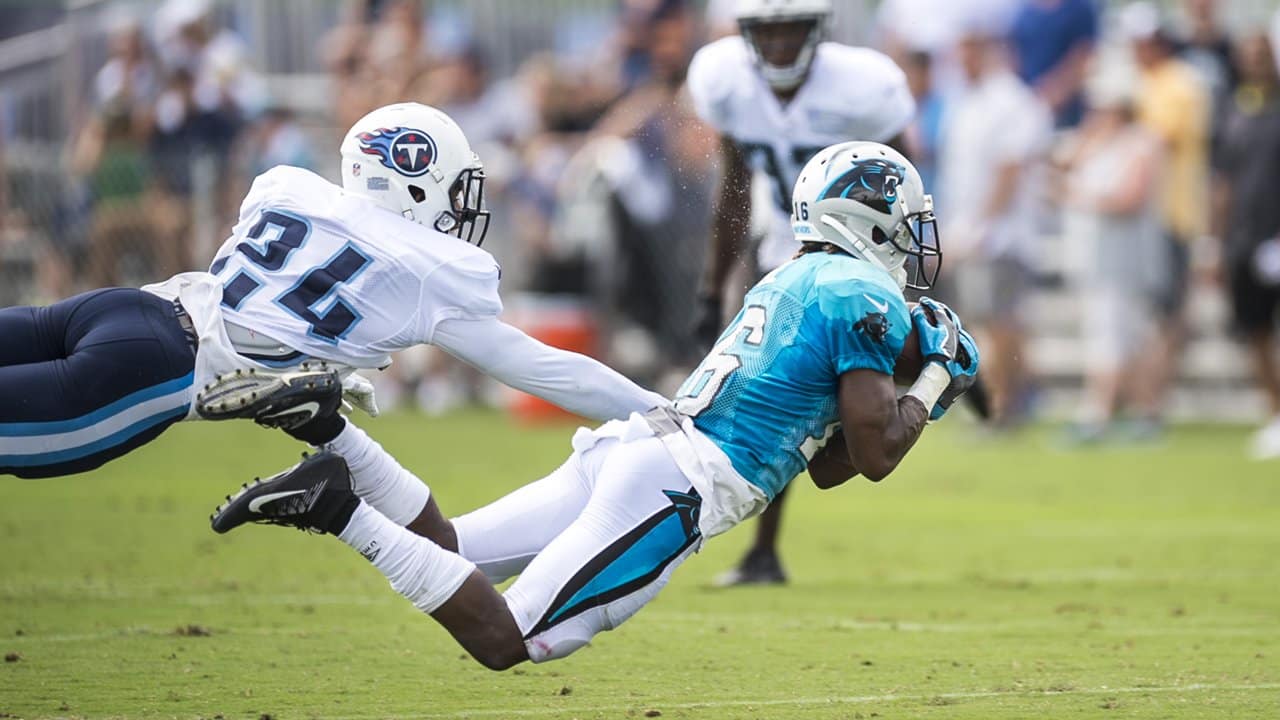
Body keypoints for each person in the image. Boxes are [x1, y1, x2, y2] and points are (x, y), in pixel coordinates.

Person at [210, 142, 979, 671]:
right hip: (679, 484)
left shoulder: (795, 276)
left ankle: (332, 432)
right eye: (906, 220)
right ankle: (338, 506)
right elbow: (878, 456)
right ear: (871, 219)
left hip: (642, 447)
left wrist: (921, 389)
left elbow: (835, 465)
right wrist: (937, 377)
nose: (914, 238)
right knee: (505, 638)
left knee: (449, 549)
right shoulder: (861, 292)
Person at [0, 102, 664, 478]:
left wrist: (323, 361)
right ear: (415, 179)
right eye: (456, 187)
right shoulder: (430, 269)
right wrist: (666, 413)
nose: (463, 207)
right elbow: (550, 371)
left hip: (128, 307)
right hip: (157, 371)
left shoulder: (288, 187)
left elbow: (283, 299)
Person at [688, 0, 916, 586]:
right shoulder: (727, 82)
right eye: (767, 31)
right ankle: (757, 547)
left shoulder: (860, 87)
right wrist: (711, 289)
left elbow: (904, 183)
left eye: (792, 28)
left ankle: (944, 377)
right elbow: (735, 191)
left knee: (835, 392)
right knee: (770, 393)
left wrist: (904, 272)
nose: (780, 43)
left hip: (858, 256)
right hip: (782, 249)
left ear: (817, 30)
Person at [936, 23, 1051, 427]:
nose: (963, 58)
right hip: (970, 230)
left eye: (971, 49)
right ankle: (1014, 399)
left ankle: (1004, 405)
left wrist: (978, 226)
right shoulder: (965, 100)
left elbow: (1009, 171)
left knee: (1000, 321)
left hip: (1001, 236)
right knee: (986, 320)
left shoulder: (1010, 101)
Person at [1058, 66, 1167, 441]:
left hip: (1122, 262)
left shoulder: (1142, 144)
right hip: (1097, 259)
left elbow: (1129, 198)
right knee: (1123, 336)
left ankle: (1098, 413)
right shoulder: (1098, 142)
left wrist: (1078, 195)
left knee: (1115, 336)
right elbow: (1065, 164)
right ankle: (1144, 412)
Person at [1214, 34, 1280, 459]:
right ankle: (1276, 413)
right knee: (1255, 331)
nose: (1254, 63)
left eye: (1261, 56)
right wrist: (1216, 239)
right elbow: (1223, 180)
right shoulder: (1235, 109)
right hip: (1245, 239)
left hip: (1275, 234)